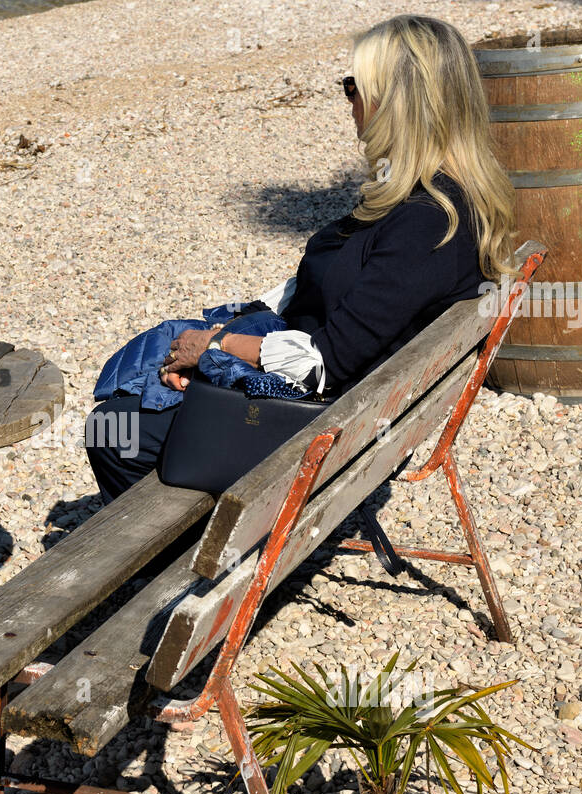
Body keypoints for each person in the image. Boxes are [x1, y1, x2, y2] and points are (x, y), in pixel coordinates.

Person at [86, 14, 516, 504]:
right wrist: (223, 340)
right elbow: (345, 298)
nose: (349, 102)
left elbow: (328, 362)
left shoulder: (427, 223)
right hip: (354, 410)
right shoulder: (440, 201)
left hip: (316, 428)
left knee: (113, 429)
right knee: (146, 389)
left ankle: (184, 570)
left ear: (394, 103)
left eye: (353, 87)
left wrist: (216, 346)